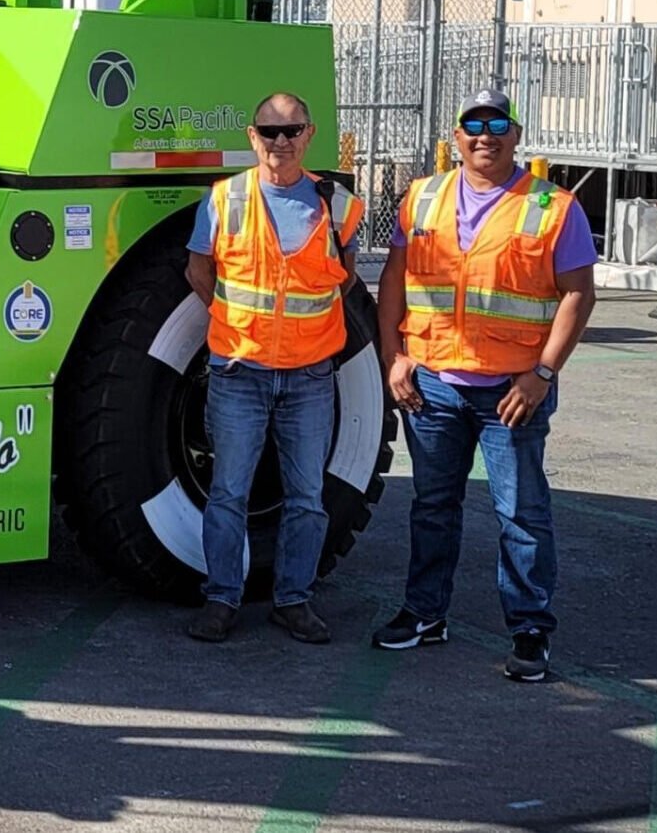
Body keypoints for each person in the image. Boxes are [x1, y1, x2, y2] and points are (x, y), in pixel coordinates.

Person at [374, 86, 596, 680]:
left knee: (521, 513)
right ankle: (425, 615)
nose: (484, 135)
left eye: (498, 123)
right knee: (432, 507)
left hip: (510, 394)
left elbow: (578, 293)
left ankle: (529, 630)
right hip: (433, 384)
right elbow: (395, 278)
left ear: (516, 135)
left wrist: (542, 374)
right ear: (456, 138)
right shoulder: (421, 199)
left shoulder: (552, 207)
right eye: (473, 124)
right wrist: (393, 356)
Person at [180, 92, 359, 646]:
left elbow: (346, 278)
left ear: (309, 136)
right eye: (269, 131)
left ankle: (293, 600)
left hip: (308, 377)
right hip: (240, 373)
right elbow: (197, 271)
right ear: (252, 137)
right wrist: (237, 325)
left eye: (292, 130)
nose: (281, 141)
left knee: (307, 497)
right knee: (228, 493)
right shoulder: (223, 198)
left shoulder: (340, 204)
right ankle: (221, 599)